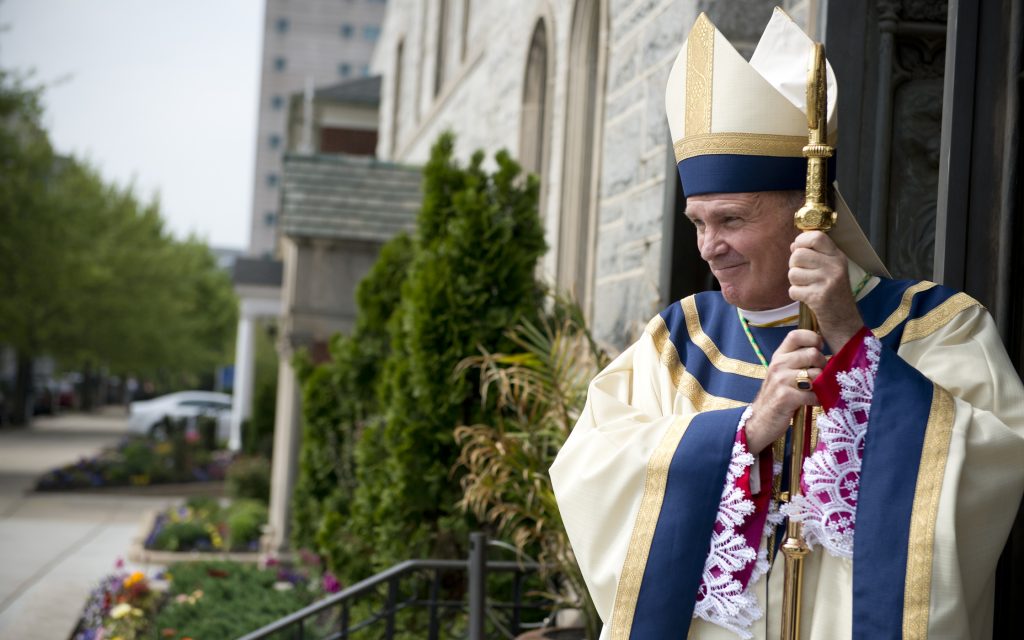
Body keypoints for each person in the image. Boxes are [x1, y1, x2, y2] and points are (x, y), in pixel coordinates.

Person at [550, 8, 1024, 640]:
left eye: (732, 220)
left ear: (809, 217)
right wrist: (742, 434)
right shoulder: (677, 343)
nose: (709, 246)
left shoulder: (938, 326)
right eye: (698, 222)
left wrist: (851, 340)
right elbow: (590, 473)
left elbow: (990, 465)